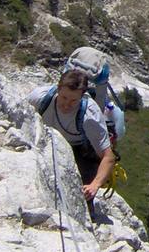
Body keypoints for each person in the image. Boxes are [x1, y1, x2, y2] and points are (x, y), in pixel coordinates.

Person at [30, 66, 116, 203]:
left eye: (73, 101)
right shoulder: (40, 97)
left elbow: (108, 157)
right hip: (45, 141)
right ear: (58, 89)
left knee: (81, 198)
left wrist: (94, 185)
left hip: (79, 151)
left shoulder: (90, 116)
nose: (66, 105)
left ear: (82, 97)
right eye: (64, 97)